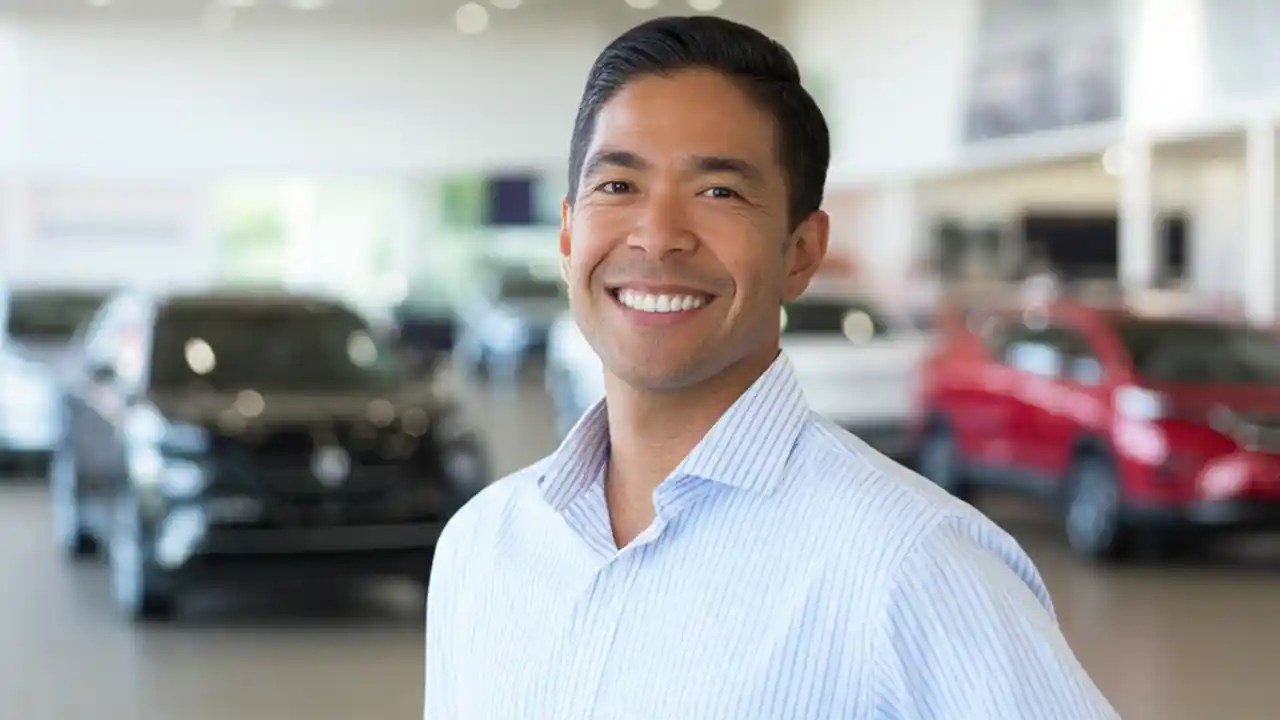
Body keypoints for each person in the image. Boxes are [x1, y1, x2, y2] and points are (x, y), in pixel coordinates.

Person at [425, 16, 1118, 719]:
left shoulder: (910, 564)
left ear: (801, 251)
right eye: (618, 186)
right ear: (569, 235)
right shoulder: (481, 548)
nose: (658, 235)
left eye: (719, 191)